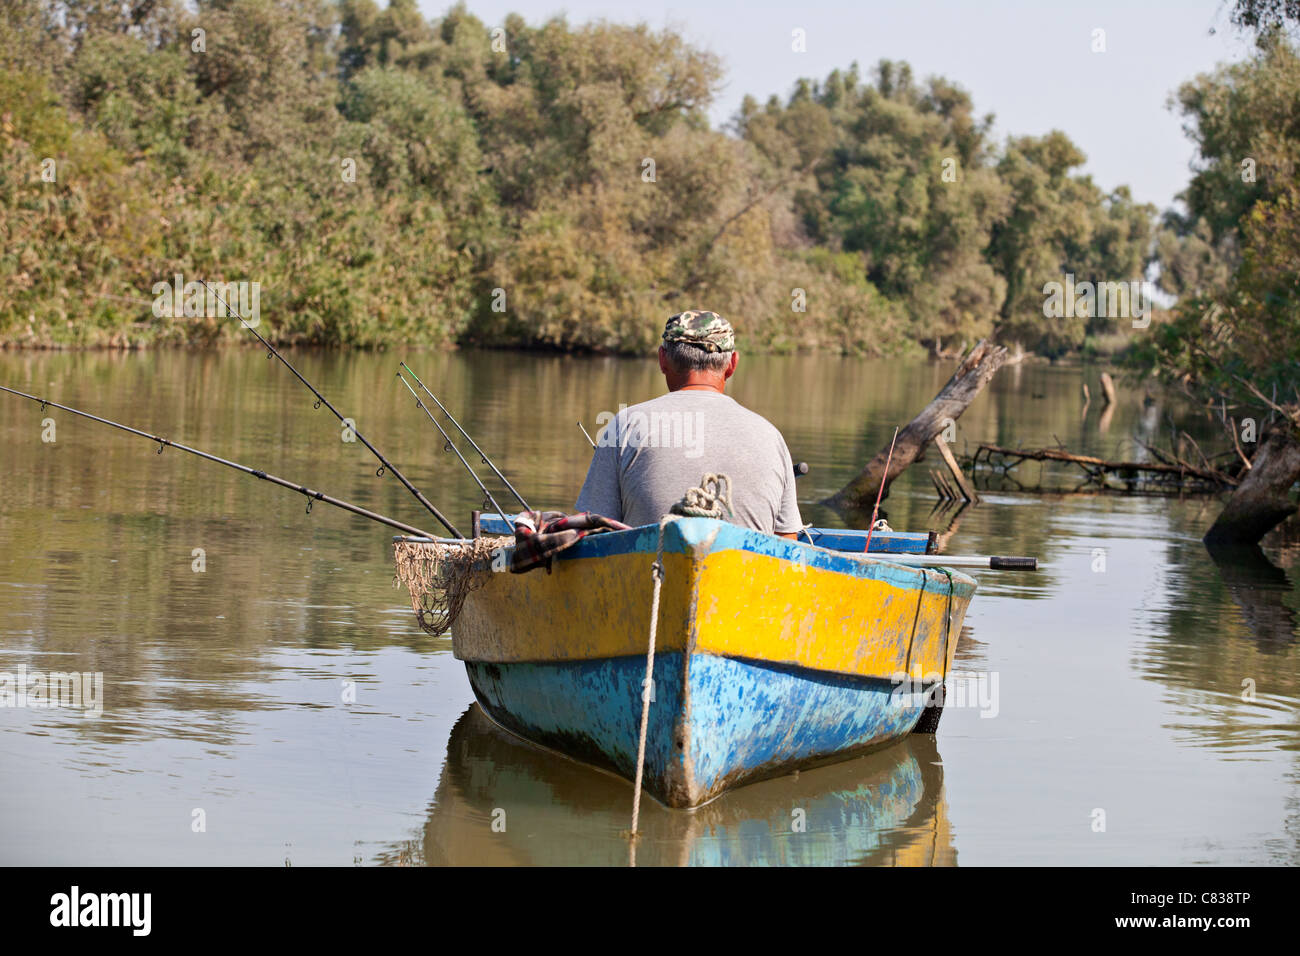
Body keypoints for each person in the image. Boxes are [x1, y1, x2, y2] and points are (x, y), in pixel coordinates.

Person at [575, 310, 803, 539]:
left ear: (662, 359)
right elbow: (789, 544)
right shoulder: (770, 436)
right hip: (746, 574)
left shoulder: (626, 425)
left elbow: (593, 532)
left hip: (651, 572)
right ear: (732, 364)